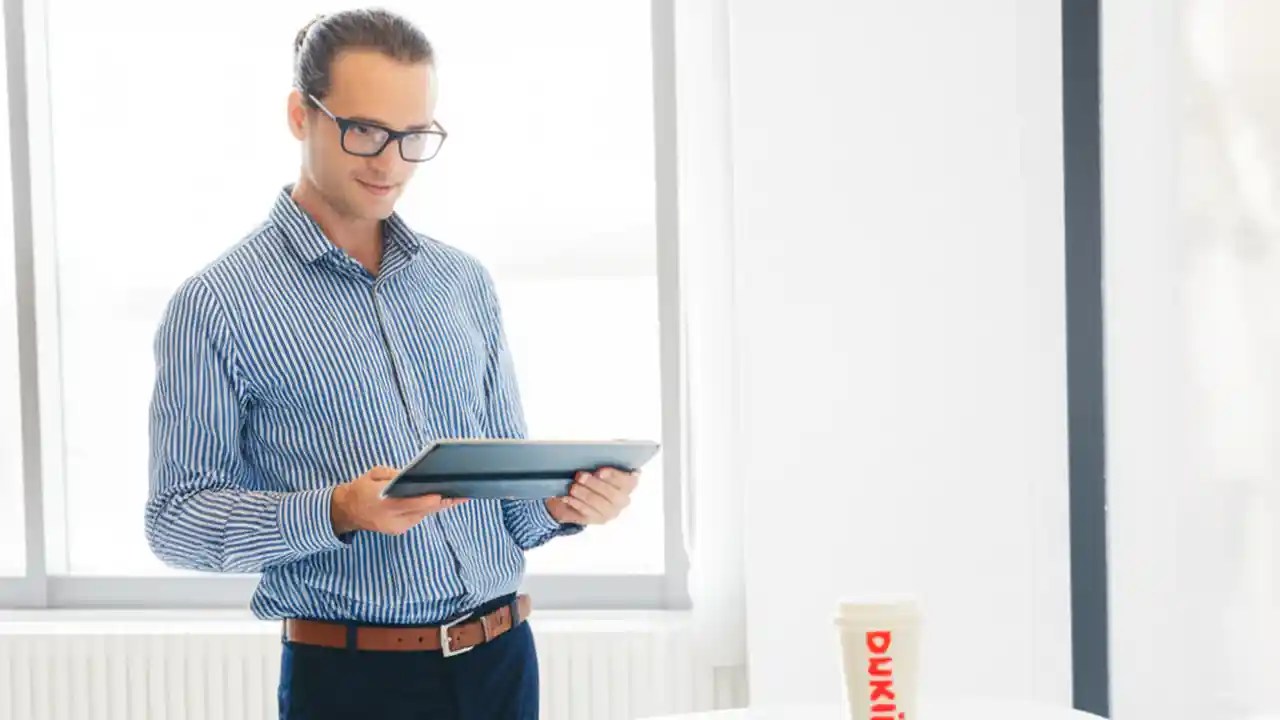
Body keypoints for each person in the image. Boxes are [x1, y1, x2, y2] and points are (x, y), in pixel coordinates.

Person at [144, 9, 639, 719]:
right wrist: (339, 510)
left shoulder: (461, 282)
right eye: (365, 131)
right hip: (354, 684)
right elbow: (175, 521)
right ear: (300, 115)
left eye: (413, 137)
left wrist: (563, 505)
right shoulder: (216, 305)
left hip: (502, 664)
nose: (390, 164)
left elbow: (512, 510)